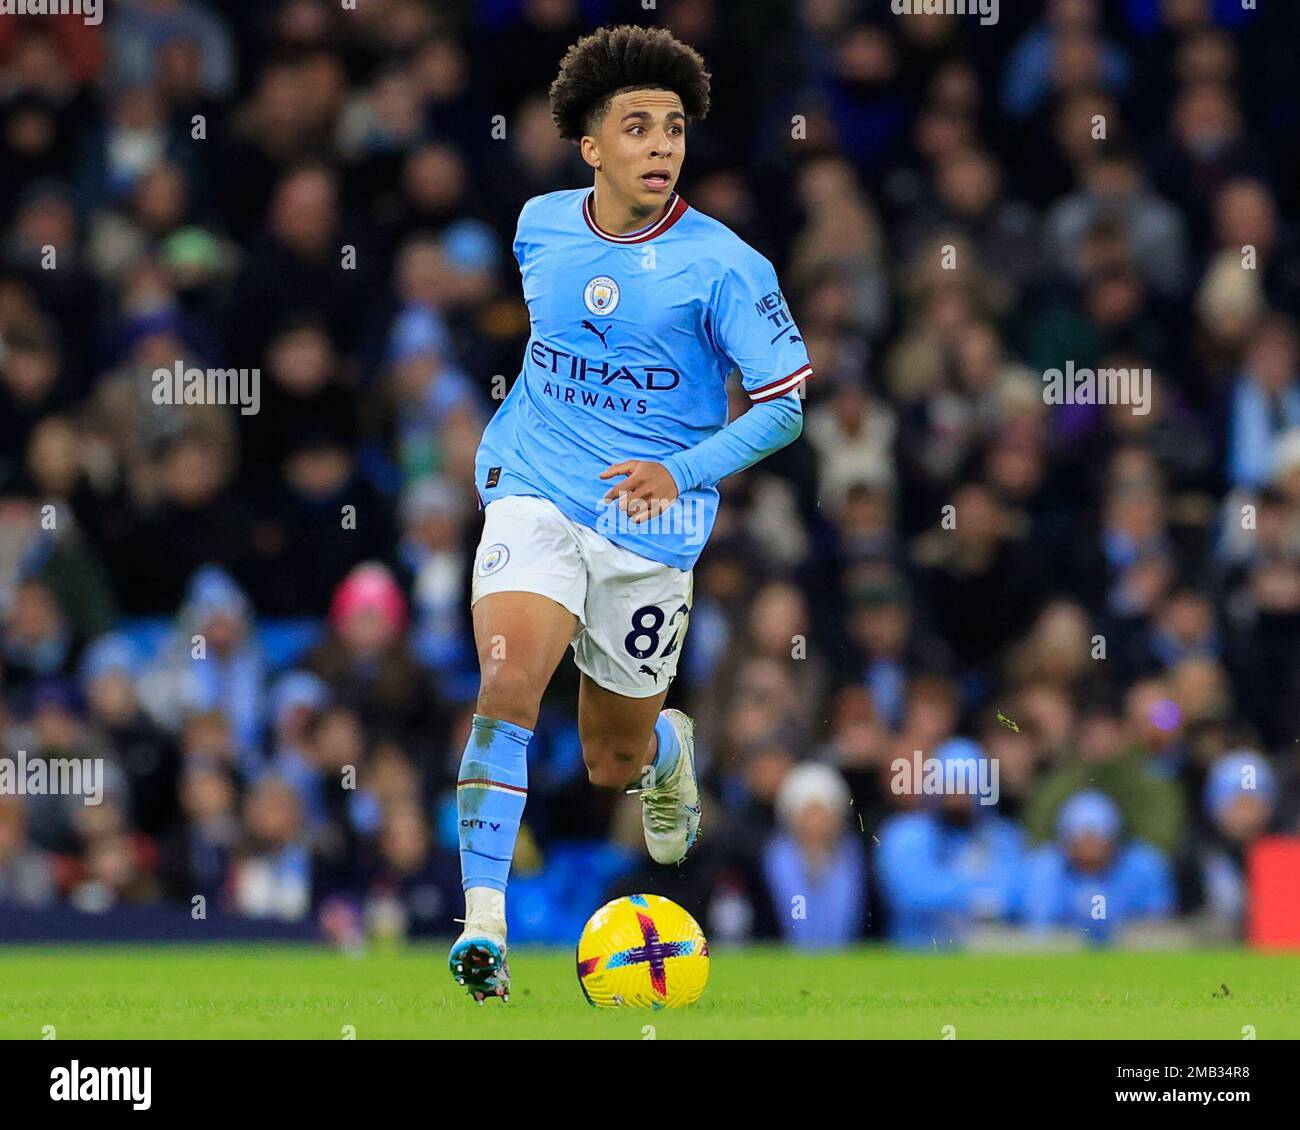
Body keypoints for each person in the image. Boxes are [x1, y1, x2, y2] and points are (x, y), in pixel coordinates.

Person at [450, 25, 811, 1001]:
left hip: (650, 530)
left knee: (611, 755)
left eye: (675, 129)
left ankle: (666, 750)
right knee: (506, 683)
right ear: (591, 146)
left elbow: (785, 403)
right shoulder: (538, 226)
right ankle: (482, 925)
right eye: (638, 126)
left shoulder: (725, 265)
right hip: (535, 489)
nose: (661, 145)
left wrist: (680, 468)